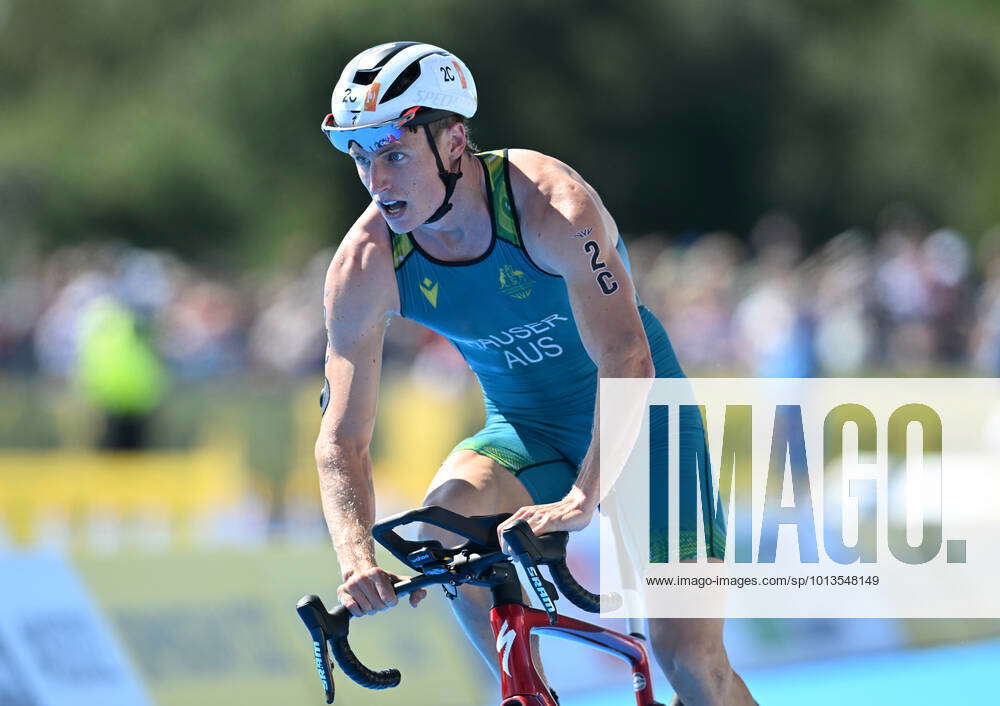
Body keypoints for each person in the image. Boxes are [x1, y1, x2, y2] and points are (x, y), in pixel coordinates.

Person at [315, 42, 755, 705]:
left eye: (395, 154)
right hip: (525, 434)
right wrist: (355, 558)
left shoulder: (548, 204)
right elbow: (340, 440)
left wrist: (584, 497)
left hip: (643, 426)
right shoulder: (364, 264)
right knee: (438, 526)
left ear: (454, 140)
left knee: (691, 663)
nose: (377, 180)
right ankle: (528, 691)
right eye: (360, 157)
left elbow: (629, 361)